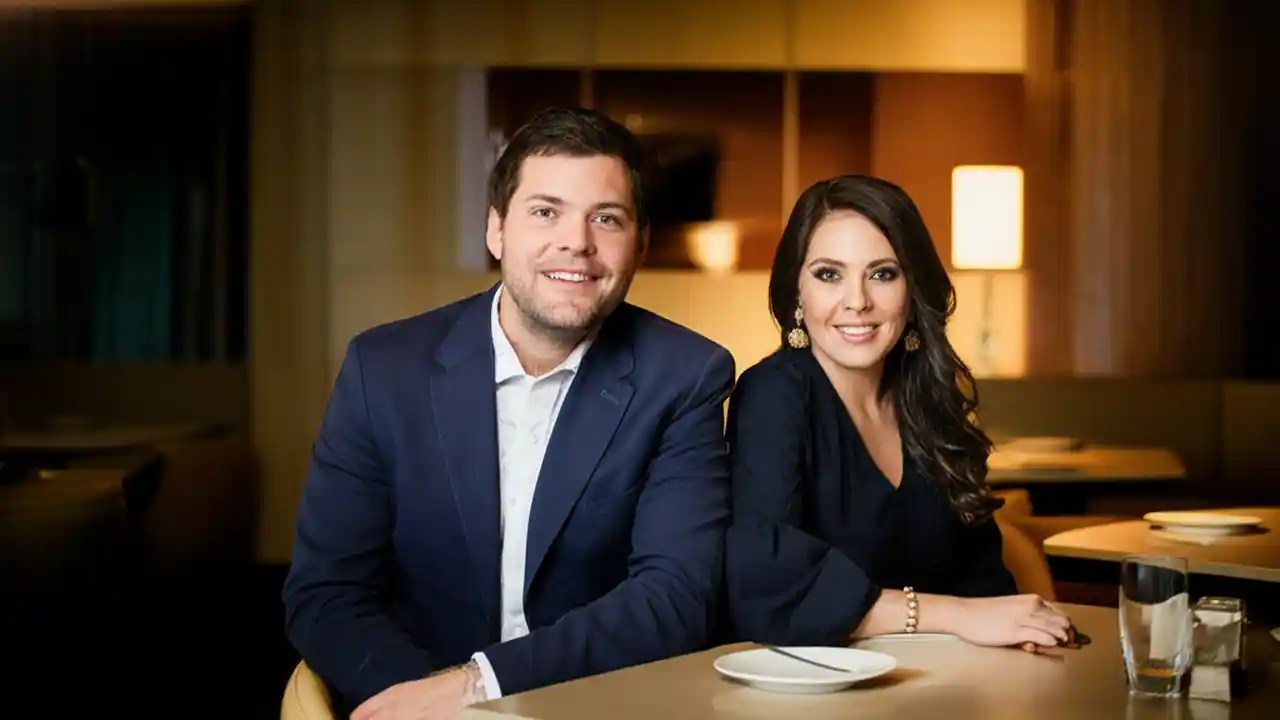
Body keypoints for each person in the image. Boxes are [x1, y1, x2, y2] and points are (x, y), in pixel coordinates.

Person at [283, 107, 736, 719]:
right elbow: (327, 593)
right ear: (496, 229)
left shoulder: (685, 376)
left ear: (641, 242)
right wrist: (430, 702)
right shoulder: (383, 369)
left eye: (606, 218)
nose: (577, 241)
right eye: (545, 212)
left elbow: (674, 598)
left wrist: (479, 686)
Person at [724, 174, 1077, 652]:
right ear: (796, 294)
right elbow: (770, 586)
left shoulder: (931, 397)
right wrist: (955, 615)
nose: (857, 301)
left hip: (941, 683)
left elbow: (980, 575)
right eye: (829, 274)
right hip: (811, 692)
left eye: (883, 273)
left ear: (913, 293)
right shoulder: (773, 395)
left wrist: (1020, 632)